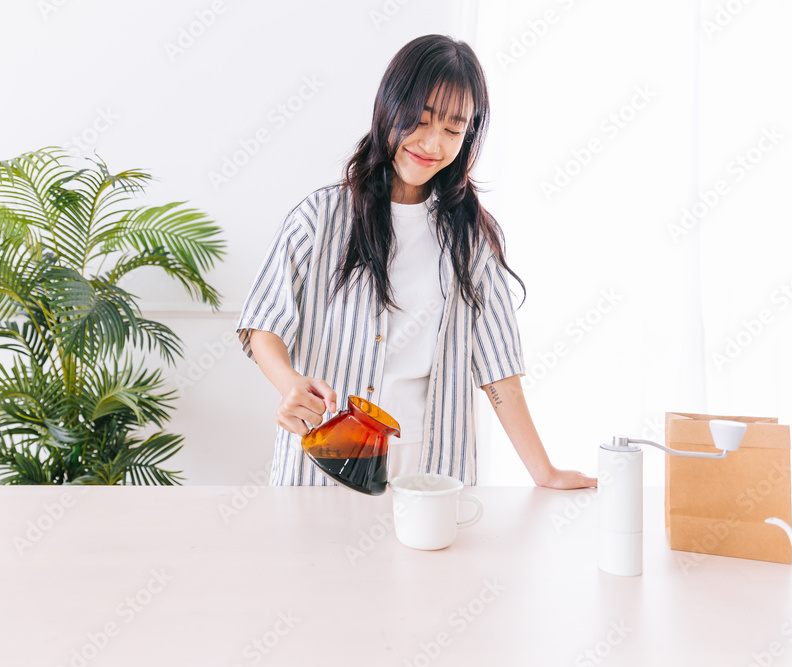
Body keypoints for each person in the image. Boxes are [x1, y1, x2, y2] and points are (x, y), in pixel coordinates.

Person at [236, 34, 596, 490]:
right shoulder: (321, 217)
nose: (432, 143)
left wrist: (545, 472)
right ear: (389, 108)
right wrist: (289, 383)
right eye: (420, 121)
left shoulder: (471, 239)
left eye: (452, 130)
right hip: (325, 462)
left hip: (429, 472)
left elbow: (499, 370)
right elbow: (263, 322)